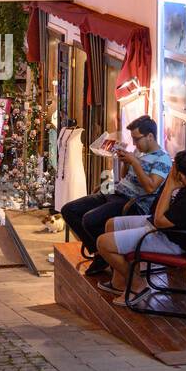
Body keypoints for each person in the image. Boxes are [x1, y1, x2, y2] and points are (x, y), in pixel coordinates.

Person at [95, 149, 186, 297]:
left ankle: (137, 285)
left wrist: (169, 186)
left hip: (169, 239)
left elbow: (159, 221)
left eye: (174, 169)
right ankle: (119, 283)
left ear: (182, 176)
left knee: (103, 243)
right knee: (111, 224)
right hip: (165, 227)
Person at [61, 116, 172, 275]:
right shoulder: (138, 152)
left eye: (136, 139)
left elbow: (150, 187)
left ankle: (105, 255)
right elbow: (127, 177)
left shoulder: (163, 159)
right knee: (69, 210)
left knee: (89, 220)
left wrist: (134, 162)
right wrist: (126, 163)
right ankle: (100, 253)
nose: (134, 144)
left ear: (150, 136)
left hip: (132, 202)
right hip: (116, 192)